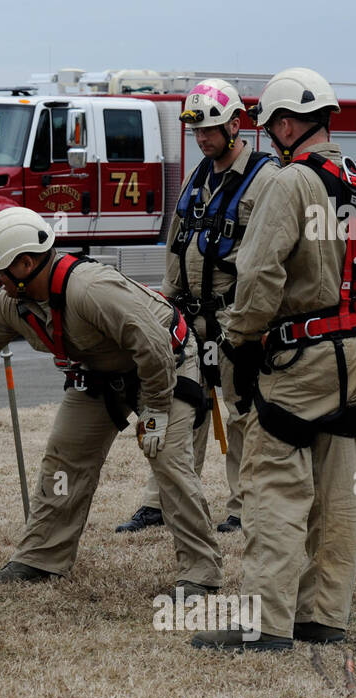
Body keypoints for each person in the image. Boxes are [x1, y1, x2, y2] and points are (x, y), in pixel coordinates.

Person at [0, 208, 222, 592]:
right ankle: (41, 557)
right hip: (100, 374)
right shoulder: (11, 303)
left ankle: (200, 574)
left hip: (165, 368)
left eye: (0, 271)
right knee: (63, 464)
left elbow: (151, 345)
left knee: (169, 464)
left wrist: (155, 408)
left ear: (25, 264)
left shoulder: (89, 288)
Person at [191, 68, 356, 652]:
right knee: (337, 485)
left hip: (299, 352)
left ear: (282, 123)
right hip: (355, 350)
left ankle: (265, 622)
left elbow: (259, 272)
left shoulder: (289, 181)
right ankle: (324, 614)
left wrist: (239, 341)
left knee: (273, 482)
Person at [118, 79, 277, 536]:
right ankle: (162, 502)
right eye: (196, 132)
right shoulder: (199, 176)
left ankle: (243, 510)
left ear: (233, 125)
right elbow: (177, 243)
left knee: (242, 414)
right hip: (187, 318)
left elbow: (267, 257)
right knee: (177, 407)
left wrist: (251, 320)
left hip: (233, 319)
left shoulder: (264, 178)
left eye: (209, 130)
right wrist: (166, 306)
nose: (202, 139)